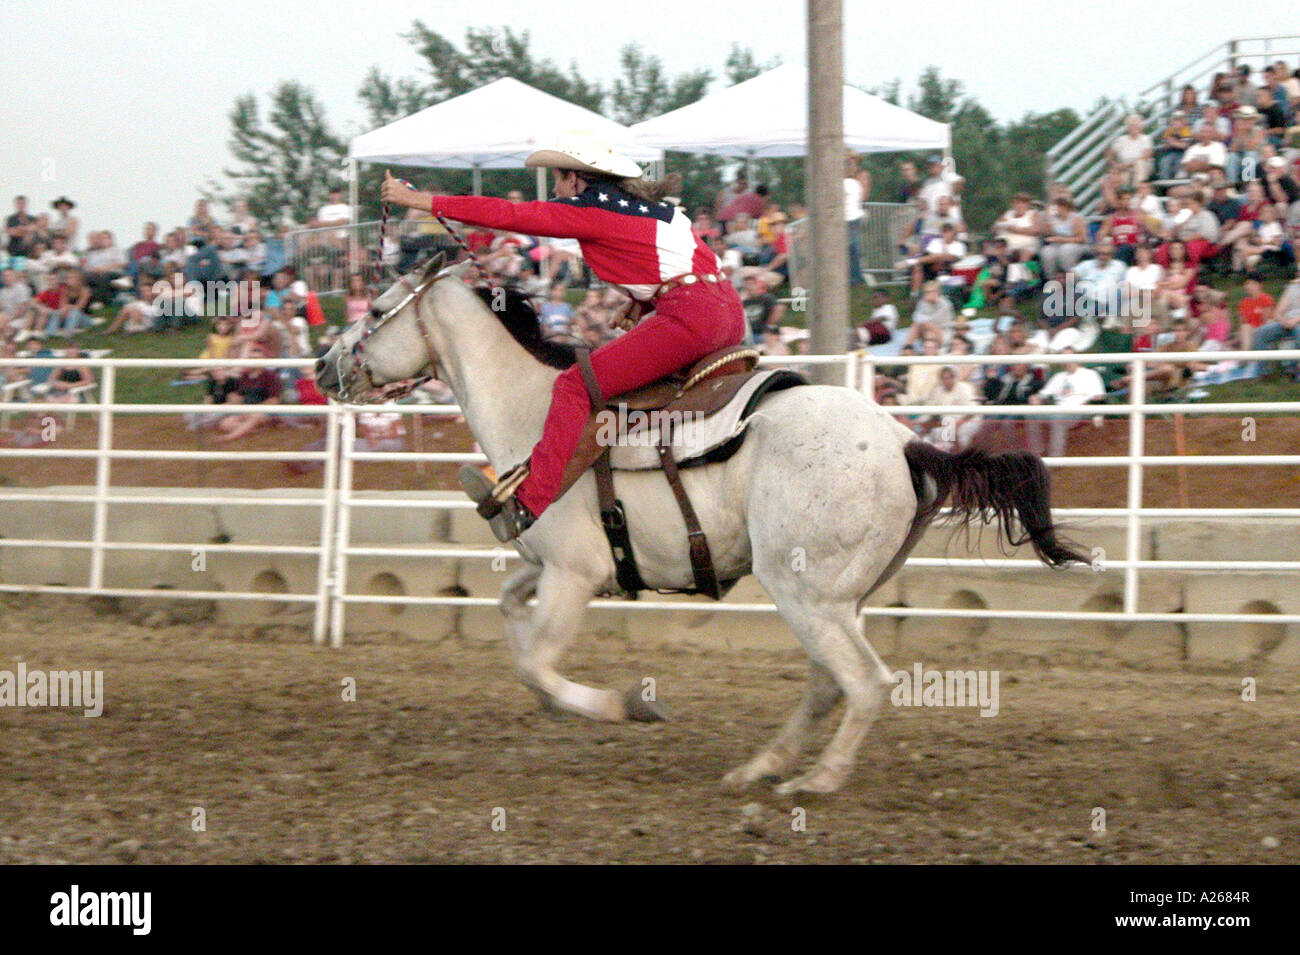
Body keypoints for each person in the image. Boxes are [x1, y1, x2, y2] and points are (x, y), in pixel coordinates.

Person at [380, 134, 745, 541]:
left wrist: (423, 202)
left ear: (575, 179)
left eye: (557, 180)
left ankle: (528, 502)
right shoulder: (661, 212)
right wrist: (644, 303)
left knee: (575, 386)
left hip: (690, 316)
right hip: (727, 312)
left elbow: (508, 215)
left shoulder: (590, 212)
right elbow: (692, 267)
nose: (555, 191)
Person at [1025, 349, 1105, 457]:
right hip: (1057, 409)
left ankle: (1055, 458)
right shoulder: (1058, 377)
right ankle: (1036, 454)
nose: (1067, 360)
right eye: (1063, 357)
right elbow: (1042, 394)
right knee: (1030, 414)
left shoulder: (1090, 374)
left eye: (1069, 356)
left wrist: (1087, 403)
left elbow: (1099, 396)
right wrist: (1036, 398)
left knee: (1058, 417)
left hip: (1080, 410)